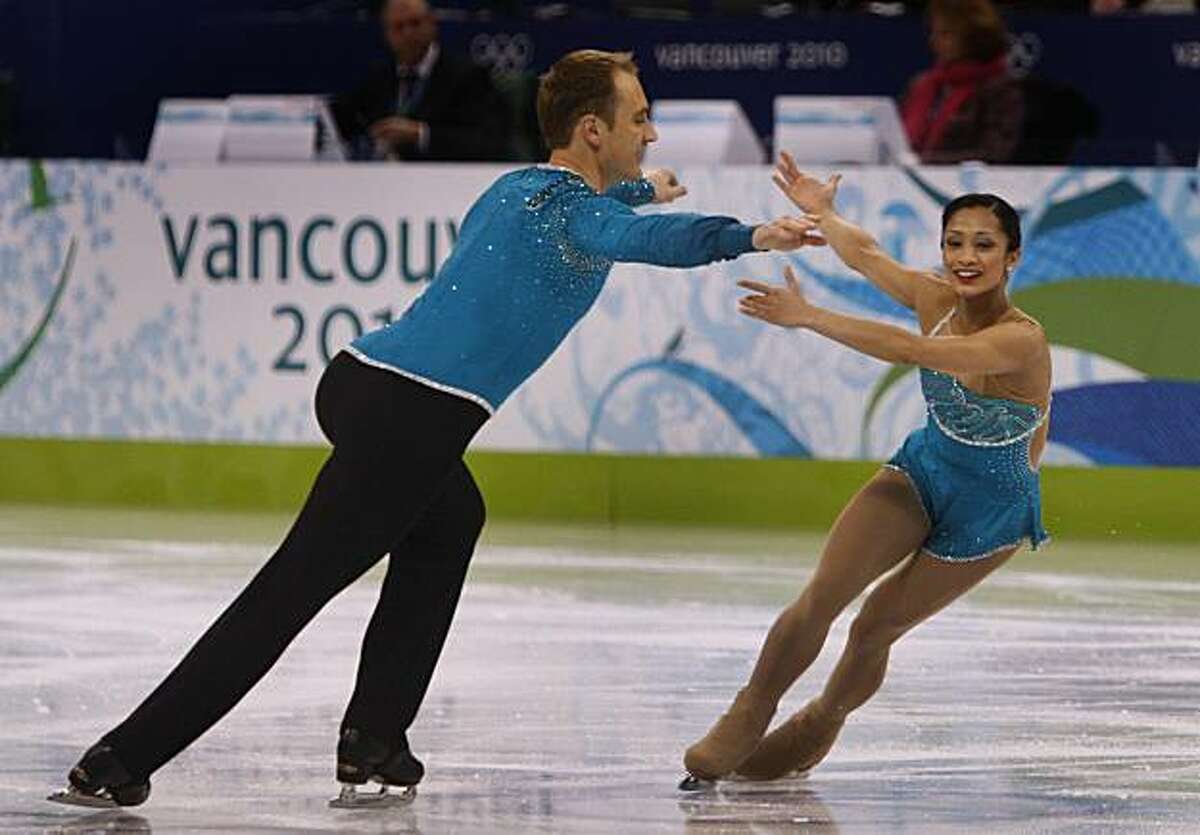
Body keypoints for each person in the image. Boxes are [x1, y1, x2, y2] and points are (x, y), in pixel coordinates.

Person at [53, 50, 823, 809]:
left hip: (359, 380)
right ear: (594, 128)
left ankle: (375, 736)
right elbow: (643, 239)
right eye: (640, 117)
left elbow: (603, 211)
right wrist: (752, 234)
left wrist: (639, 190)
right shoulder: (583, 217)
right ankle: (120, 757)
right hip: (413, 413)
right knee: (288, 592)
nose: (650, 132)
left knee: (451, 519)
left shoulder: (516, 188)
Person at [682, 152, 1051, 785]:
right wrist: (823, 211)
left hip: (991, 512)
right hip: (925, 471)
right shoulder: (934, 294)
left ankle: (820, 720)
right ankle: (751, 710)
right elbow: (866, 254)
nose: (966, 256)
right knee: (823, 595)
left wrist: (811, 317)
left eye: (984, 245)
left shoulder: (1023, 340)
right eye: (954, 242)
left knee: (874, 626)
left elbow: (914, 349)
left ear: (1011, 258)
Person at [330, 0, 508, 161]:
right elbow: (343, 119)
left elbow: (486, 143)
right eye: (399, 27)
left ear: (432, 23)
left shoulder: (468, 76)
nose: (408, 33)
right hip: (383, 179)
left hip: (443, 177)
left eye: (415, 23)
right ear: (387, 34)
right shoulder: (379, 77)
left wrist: (421, 134)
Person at [899, 0, 1024, 164]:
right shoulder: (921, 84)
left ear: (973, 38)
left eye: (945, 34)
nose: (933, 41)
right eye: (933, 32)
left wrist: (924, 162)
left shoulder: (1000, 90)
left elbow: (994, 153)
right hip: (905, 180)